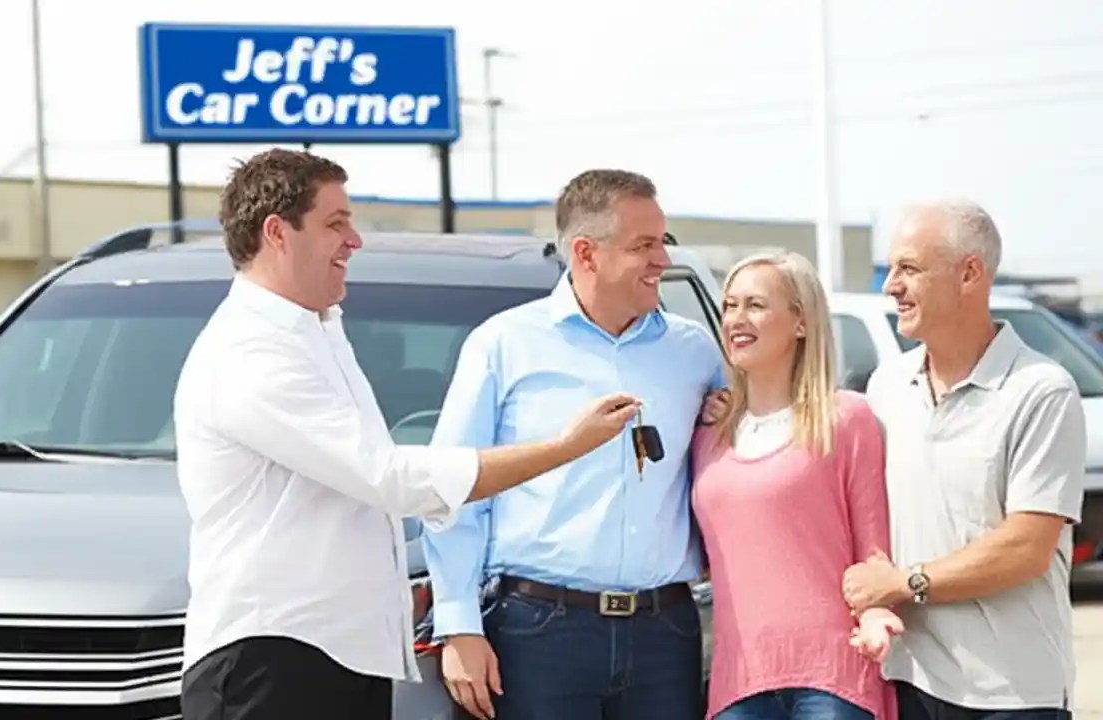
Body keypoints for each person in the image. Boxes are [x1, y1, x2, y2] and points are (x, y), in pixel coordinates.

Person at [172, 148, 643, 720]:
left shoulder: (316, 329)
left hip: (334, 659)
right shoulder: (250, 352)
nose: (354, 241)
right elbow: (391, 479)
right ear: (277, 232)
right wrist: (566, 448)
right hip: (272, 662)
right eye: (335, 223)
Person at [421, 168, 725, 720]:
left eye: (664, 242)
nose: (662, 260)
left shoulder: (697, 352)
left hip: (667, 634)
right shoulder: (503, 344)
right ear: (586, 252)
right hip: (538, 636)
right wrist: (459, 623)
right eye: (644, 246)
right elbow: (454, 487)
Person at [840, 199, 1086, 720]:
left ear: (969, 273)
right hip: (910, 680)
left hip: (1013, 692)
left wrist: (906, 584)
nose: (891, 286)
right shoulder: (888, 386)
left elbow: (1027, 546)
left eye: (909, 268)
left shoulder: (1040, 391)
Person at [689, 251, 901, 720]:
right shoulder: (709, 433)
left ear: (801, 322)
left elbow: (873, 548)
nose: (736, 319)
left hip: (833, 677)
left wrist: (875, 615)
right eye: (729, 305)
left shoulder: (845, 419)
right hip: (737, 682)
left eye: (756, 305)